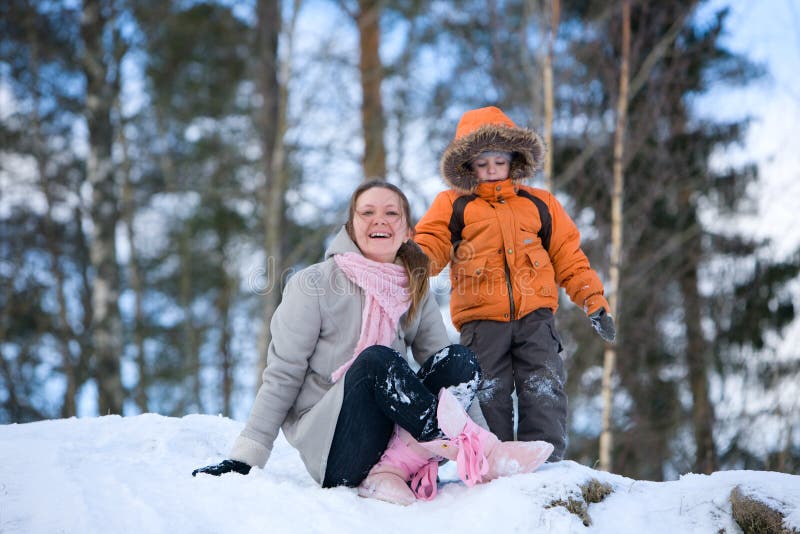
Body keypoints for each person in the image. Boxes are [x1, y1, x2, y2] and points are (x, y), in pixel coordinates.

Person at [192, 180, 553, 505]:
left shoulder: (415, 286)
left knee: (457, 359)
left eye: (391, 213)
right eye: (367, 212)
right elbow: (283, 373)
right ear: (351, 226)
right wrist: (246, 456)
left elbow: (446, 368)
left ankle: (394, 471)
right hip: (339, 448)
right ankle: (480, 453)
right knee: (377, 360)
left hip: (397, 441)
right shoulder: (313, 284)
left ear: (408, 230)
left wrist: (482, 428)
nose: (379, 220)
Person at [414, 106, 616, 461]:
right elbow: (431, 242)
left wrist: (593, 300)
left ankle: (547, 460)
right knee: (488, 391)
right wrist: (408, 265)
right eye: (482, 162)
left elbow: (569, 257)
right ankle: (493, 458)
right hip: (481, 321)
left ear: (513, 159)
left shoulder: (540, 204)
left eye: (499, 160)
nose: (491, 169)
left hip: (535, 319)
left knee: (544, 386)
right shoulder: (454, 205)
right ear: (468, 166)